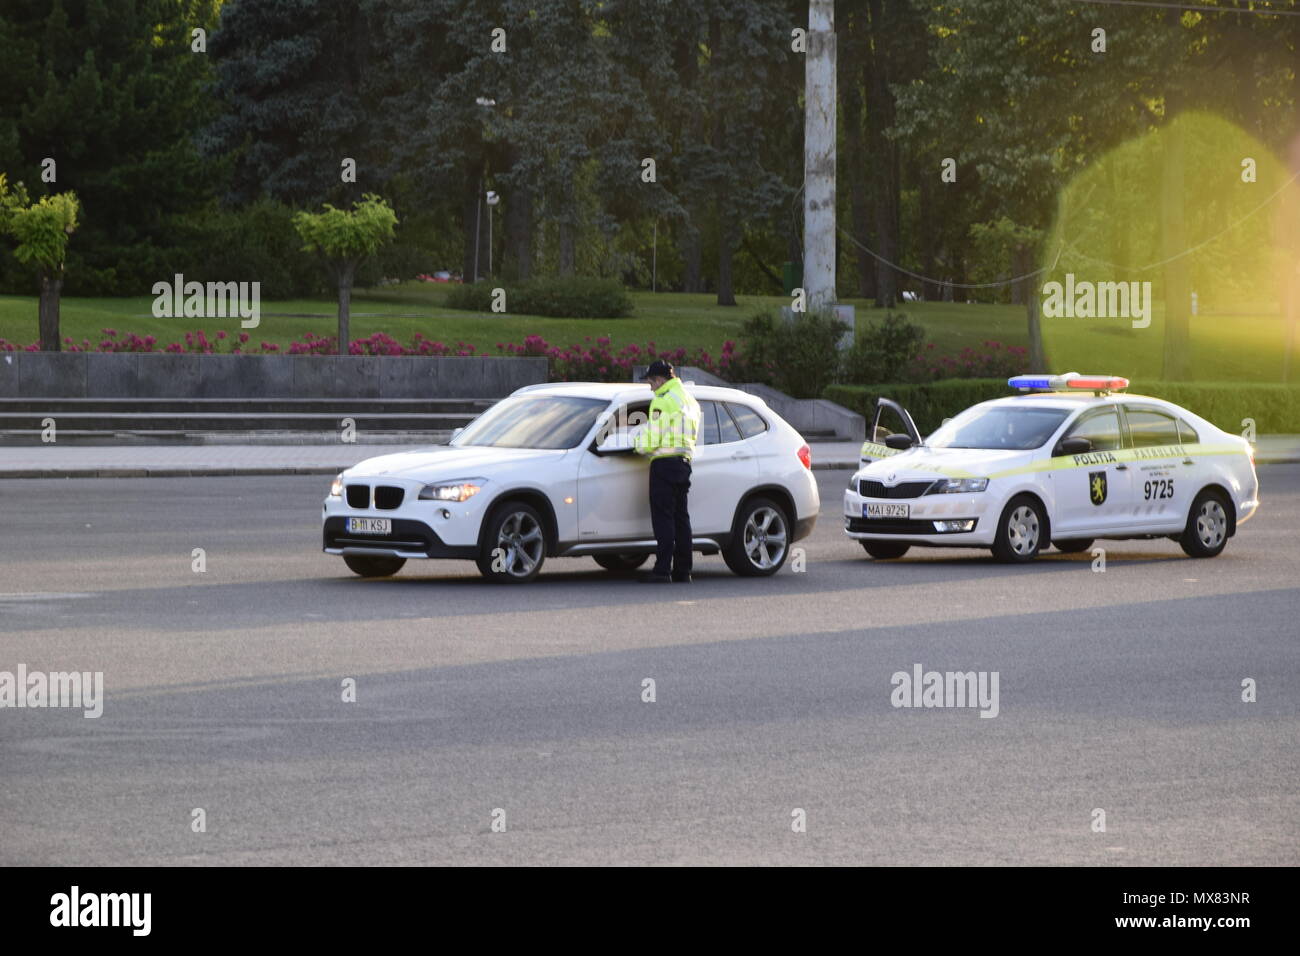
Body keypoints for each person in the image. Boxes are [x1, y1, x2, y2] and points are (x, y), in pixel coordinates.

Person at [632, 360, 701, 583]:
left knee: (663, 518)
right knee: (681, 518)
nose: (650, 387)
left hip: (664, 462)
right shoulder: (688, 399)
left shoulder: (663, 401)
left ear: (660, 380)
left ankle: (662, 570)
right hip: (684, 461)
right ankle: (683, 570)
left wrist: (637, 444)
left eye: (651, 382)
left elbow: (652, 437)